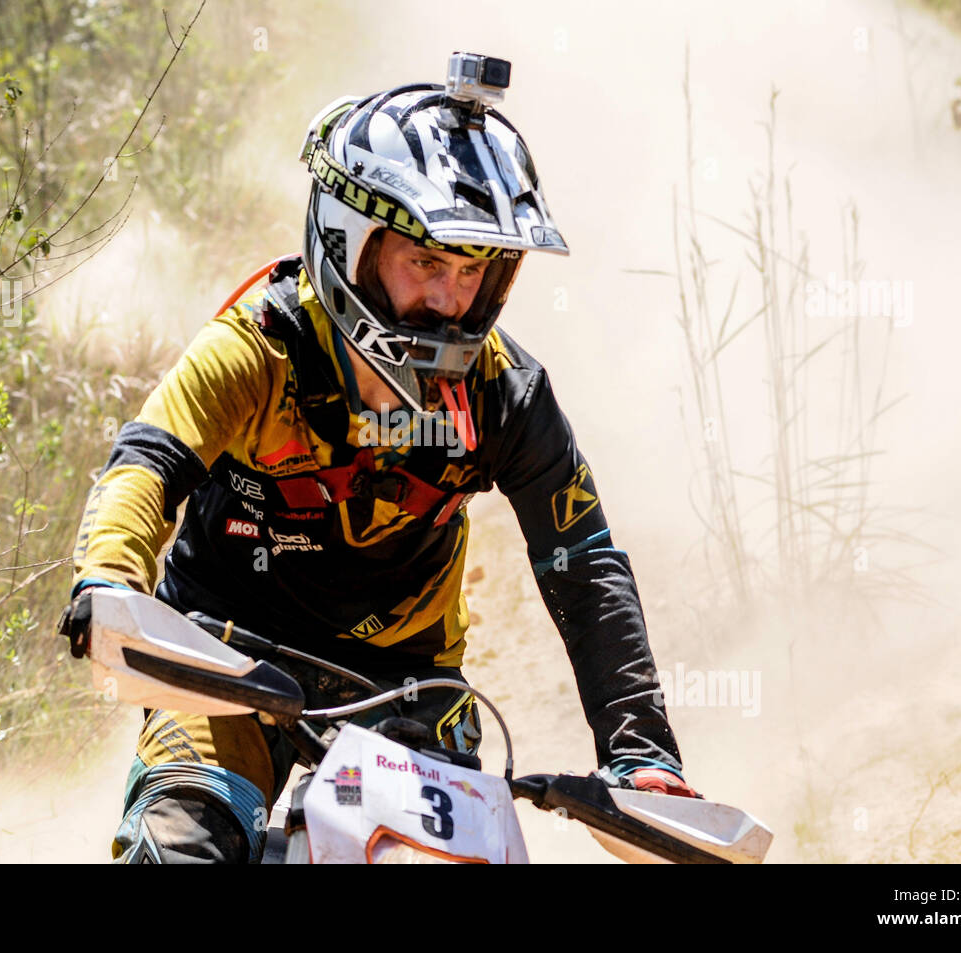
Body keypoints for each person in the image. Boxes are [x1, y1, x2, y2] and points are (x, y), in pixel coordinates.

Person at [62, 55, 697, 864]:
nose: (452, 299)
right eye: (427, 262)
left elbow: (584, 563)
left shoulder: (506, 392)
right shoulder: (257, 349)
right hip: (222, 655)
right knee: (184, 848)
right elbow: (145, 463)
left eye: (474, 269)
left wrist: (641, 753)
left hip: (405, 684)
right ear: (348, 243)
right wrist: (111, 579)